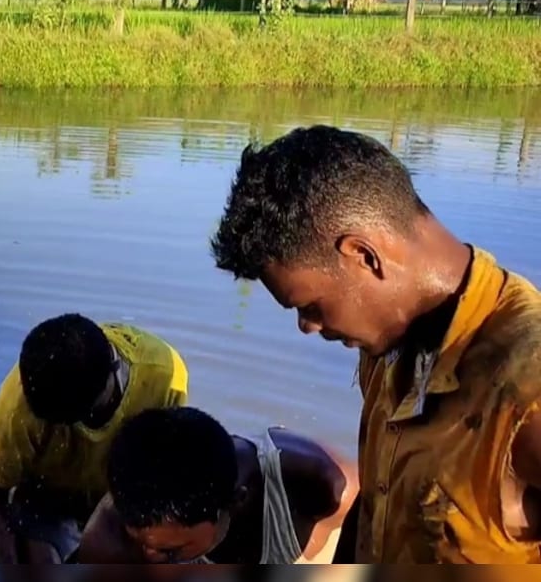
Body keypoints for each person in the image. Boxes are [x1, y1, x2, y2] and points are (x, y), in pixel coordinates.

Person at [207, 124, 541, 563]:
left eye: (309, 305)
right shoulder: (388, 345)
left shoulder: (525, 387)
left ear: (363, 255)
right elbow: (375, 506)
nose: (307, 327)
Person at [0, 313, 189, 564]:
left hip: (122, 502)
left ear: (113, 369)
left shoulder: (164, 378)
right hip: (46, 500)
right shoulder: (16, 409)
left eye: (78, 418)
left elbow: (165, 479)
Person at [76, 406, 357, 564]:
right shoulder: (107, 542)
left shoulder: (325, 488)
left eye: (171, 553)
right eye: (140, 544)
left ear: (236, 501)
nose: (152, 560)